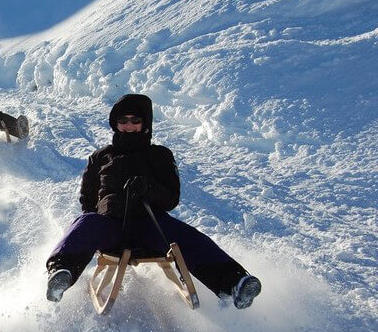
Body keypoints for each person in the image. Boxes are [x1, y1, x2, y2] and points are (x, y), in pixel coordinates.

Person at [45, 93, 262, 309]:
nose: (128, 126)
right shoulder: (100, 157)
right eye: (123, 121)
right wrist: (95, 224)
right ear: (115, 124)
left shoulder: (160, 155)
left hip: (149, 225)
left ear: (145, 123)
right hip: (111, 227)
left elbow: (171, 198)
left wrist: (149, 189)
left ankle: (234, 282)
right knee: (87, 221)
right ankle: (61, 273)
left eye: (135, 120)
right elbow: (88, 199)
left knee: (184, 235)